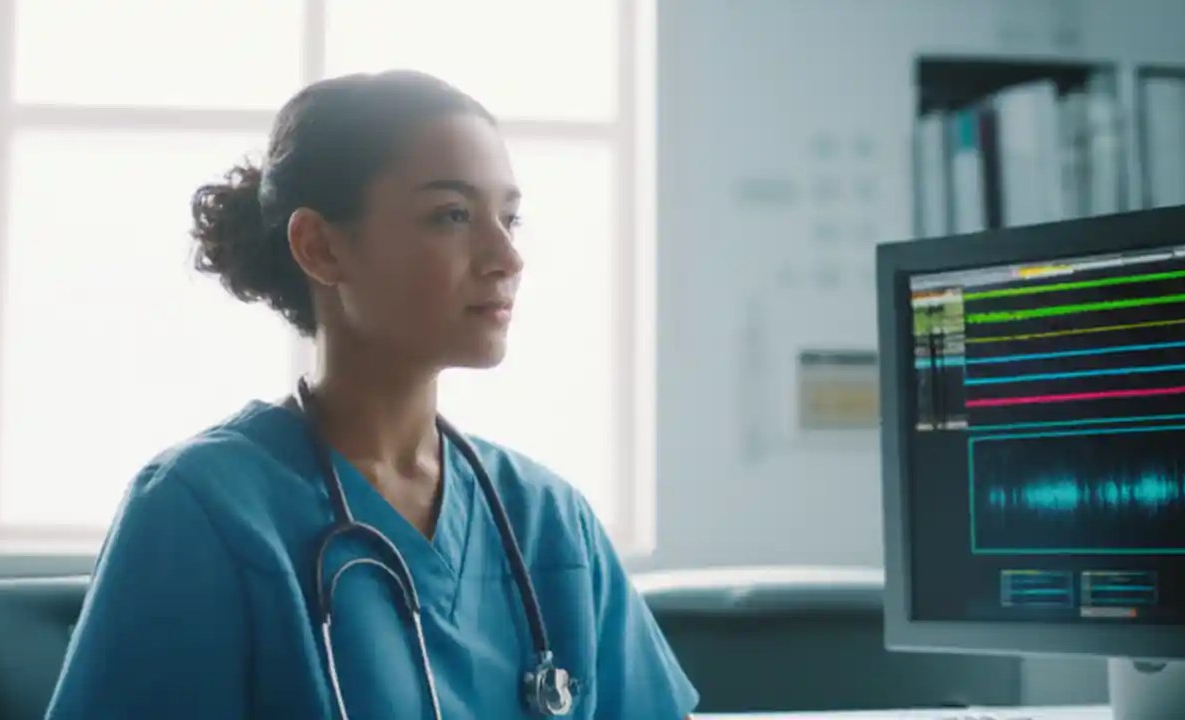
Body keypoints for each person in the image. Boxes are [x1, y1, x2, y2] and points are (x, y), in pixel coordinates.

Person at [45, 71, 698, 719]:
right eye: (452, 215)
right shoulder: (201, 510)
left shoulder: (551, 523)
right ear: (320, 247)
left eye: (510, 217)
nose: (506, 256)